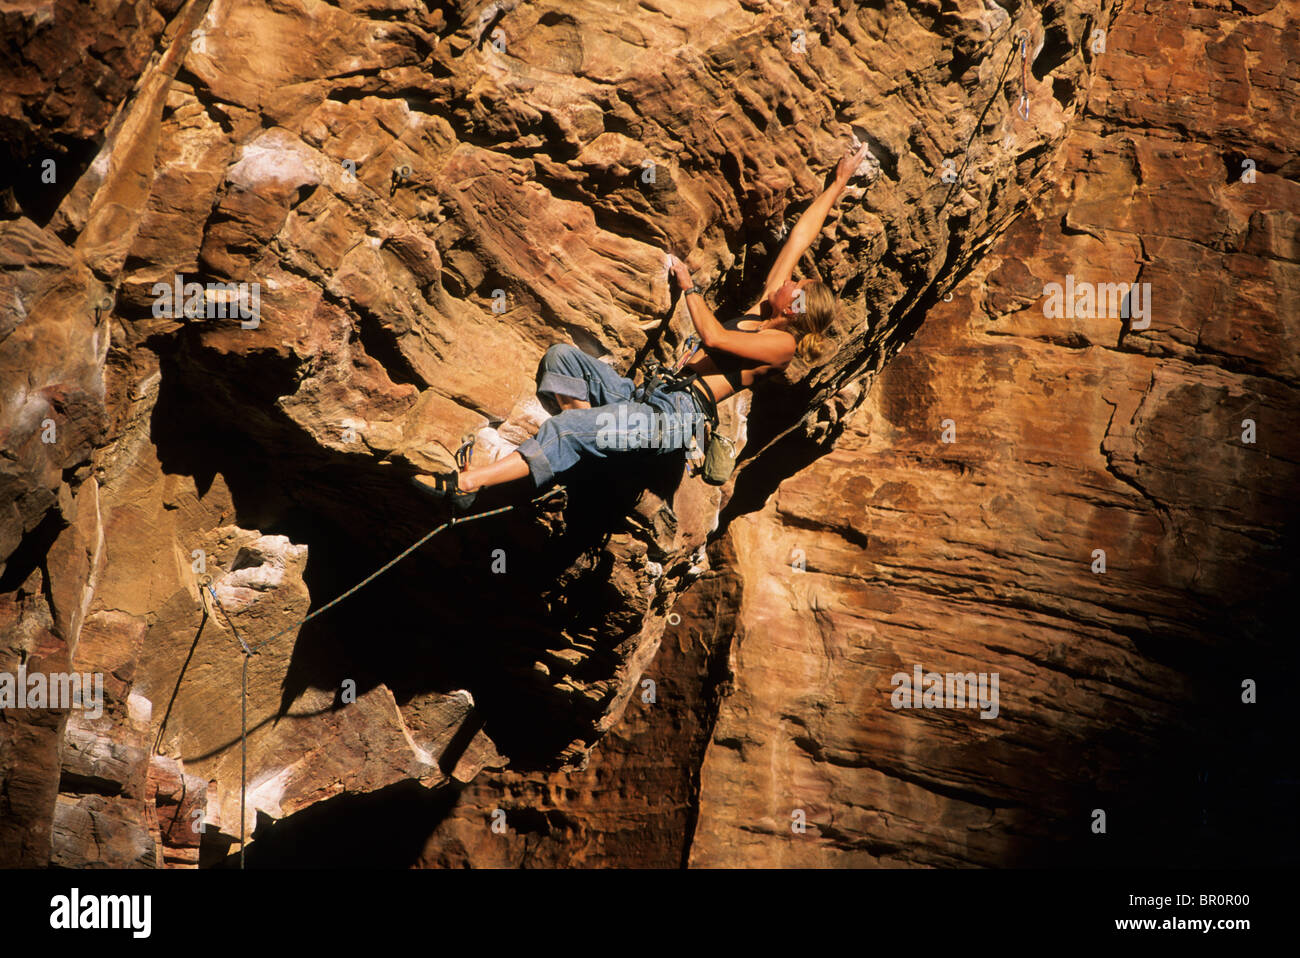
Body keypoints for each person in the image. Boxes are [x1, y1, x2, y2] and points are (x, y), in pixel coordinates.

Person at [412, 142, 871, 509]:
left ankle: (466, 484)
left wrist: (690, 288)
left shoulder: (779, 345)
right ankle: (587, 451)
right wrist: (837, 184)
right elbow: (797, 239)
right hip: (651, 396)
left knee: (566, 432)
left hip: (672, 421)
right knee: (563, 358)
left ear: (795, 308)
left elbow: (713, 338)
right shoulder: (766, 309)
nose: (789, 279)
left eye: (796, 284)